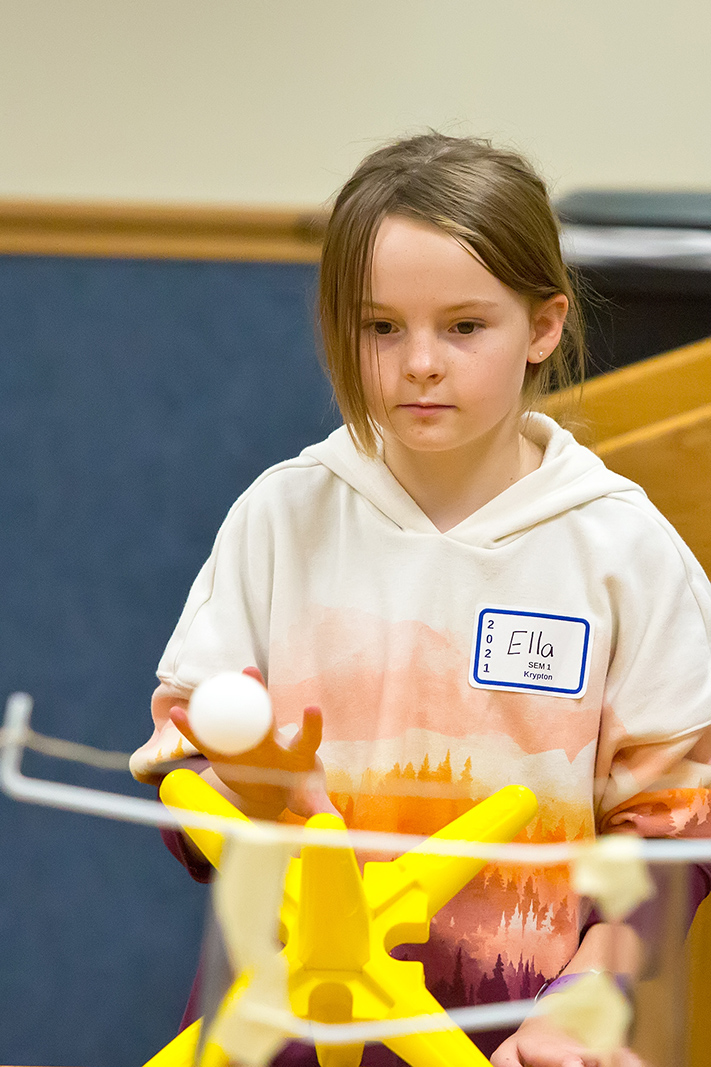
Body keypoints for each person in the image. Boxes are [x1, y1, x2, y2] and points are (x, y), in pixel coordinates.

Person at [130, 132, 711, 1067]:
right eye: (380, 326)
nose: (420, 362)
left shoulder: (621, 547)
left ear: (545, 325)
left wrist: (585, 1002)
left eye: (464, 325)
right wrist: (237, 783)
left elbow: (675, 833)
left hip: (512, 1033)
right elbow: (187, 767)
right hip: (282, 1019)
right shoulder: (281, 515)